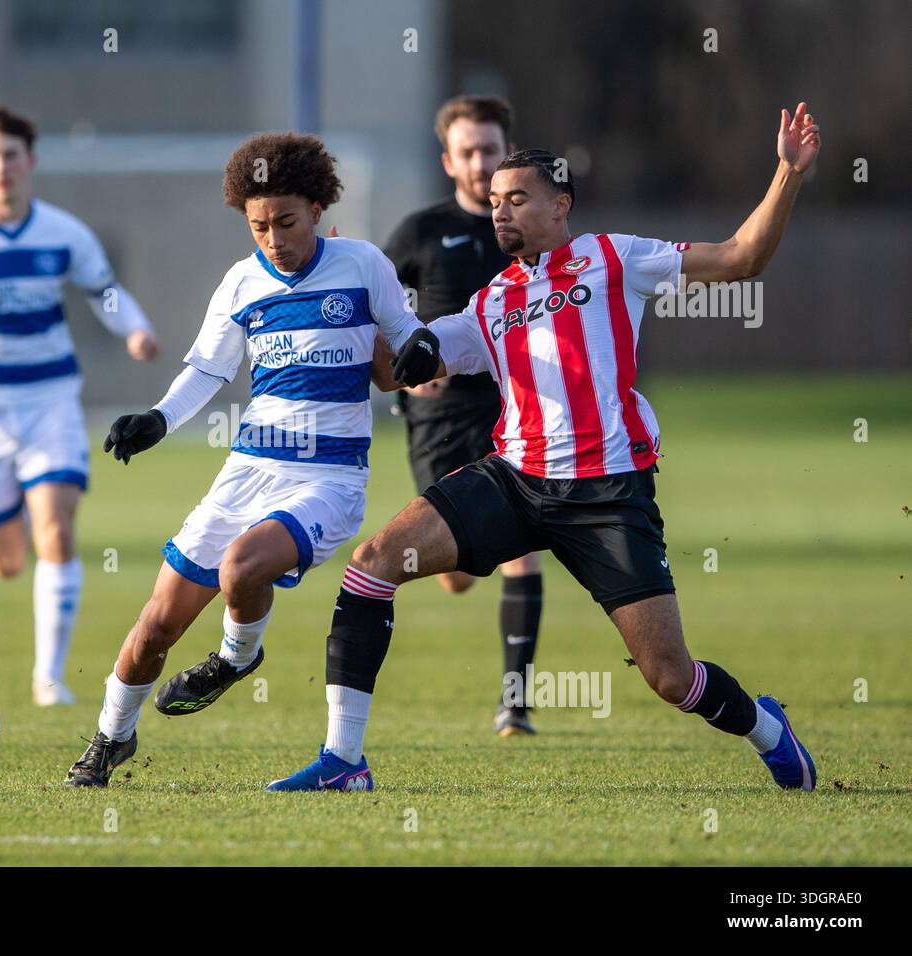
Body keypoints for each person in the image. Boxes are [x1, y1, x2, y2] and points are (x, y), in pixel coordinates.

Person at [268, 103, 822, 793]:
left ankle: (767, 728)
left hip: (608, 493)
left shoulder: (617, 259)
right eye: (495, 202)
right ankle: (344, 762)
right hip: (515, 480)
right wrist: (356, 300)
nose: (499, 212)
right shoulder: (492, 298)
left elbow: (742, 258)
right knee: (373, 564)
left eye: (517, 199)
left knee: (670, 677)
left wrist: (787, 173)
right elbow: (411, 363)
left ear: (561, 205)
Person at [65, 132, 440, 787]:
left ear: (319, 208)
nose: (273, 238)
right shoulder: (241, 282)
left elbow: (409, 339)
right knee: (155, 627)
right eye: (257, 226)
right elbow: (207, 371)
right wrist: (158, 418)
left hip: (328, 479)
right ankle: (109, 738)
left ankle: (237, 658)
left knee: (242, 567)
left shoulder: (362, 265)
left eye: (286, 222)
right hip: (246, 470)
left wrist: (419, 353)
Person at [0, 105, 160, 706]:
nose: (0, 167)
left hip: (50, 400)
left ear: (29, 162)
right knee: (7, 561)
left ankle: (50, 675)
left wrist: (134, 330)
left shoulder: (62, 232)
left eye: (10, 155)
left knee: (56, 530)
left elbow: (105, 290)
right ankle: (5, 514)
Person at [381, 94, 545, 736]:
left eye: (492, 150)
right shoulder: (421, 232)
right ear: (448, 160)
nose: (481, 163)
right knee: (454, 573)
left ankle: (515, 702)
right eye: (468, 151)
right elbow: (377, 309)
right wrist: (401, 377)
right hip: (437, 424)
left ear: (510, 153)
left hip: (515, 417)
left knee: (522, 551)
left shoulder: (534, 234)